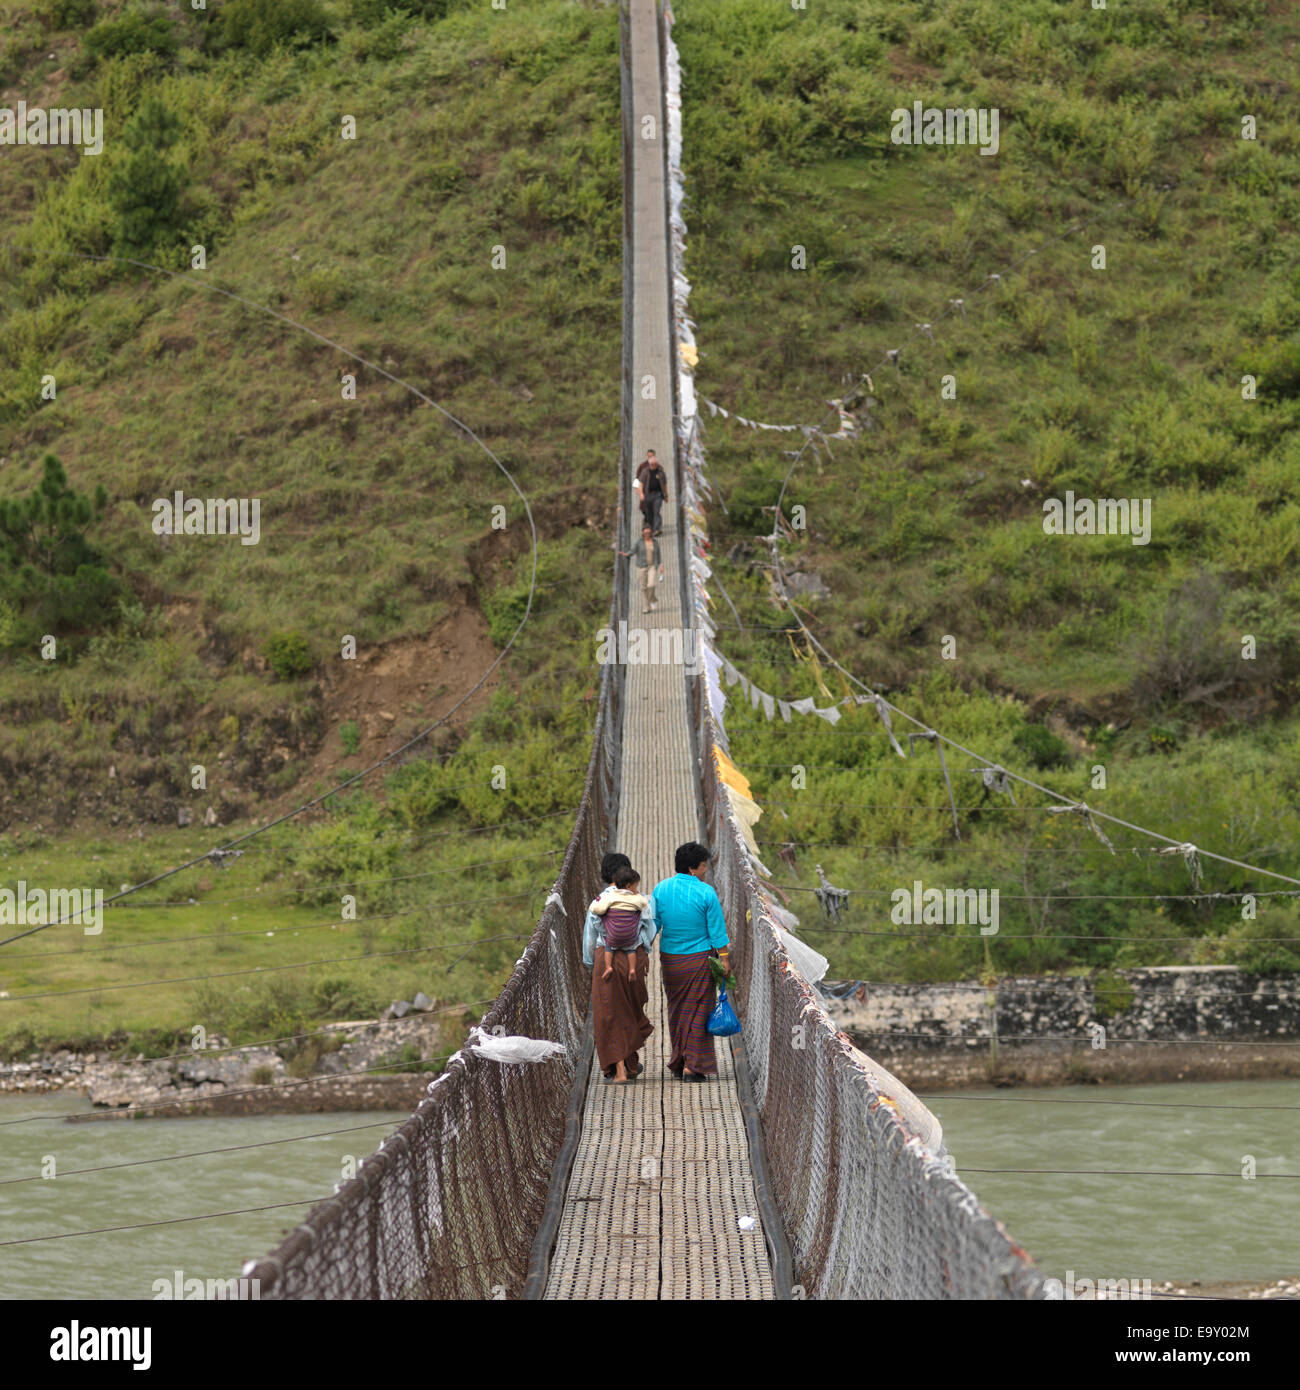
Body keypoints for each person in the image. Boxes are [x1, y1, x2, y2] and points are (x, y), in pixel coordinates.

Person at [652, 842, 731, 1082]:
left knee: (677, 1009)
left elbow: (653, 925)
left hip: (671, 961)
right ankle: (692, 1067)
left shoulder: (660, 889)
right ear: (692, 868)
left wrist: (637, 952)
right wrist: (725, 959)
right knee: (698, 1011)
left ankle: (679, 1060)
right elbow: (716, 930)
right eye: (704, 865)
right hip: (699, 959)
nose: (706, 869)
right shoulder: (706, 892)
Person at [583, 853, 657, 1084]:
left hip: (606, 958)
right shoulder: (641, 899)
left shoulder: (598, 902)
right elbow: (650, 931)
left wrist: (590, 963)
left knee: (609, 1013)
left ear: (606, 874)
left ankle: (619, 1071)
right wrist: (641, 954)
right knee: (630, 1009)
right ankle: (630, 1065)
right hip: (632, 959)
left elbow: (590, 938)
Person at [591, 866, 649, 983]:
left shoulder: (609, 897)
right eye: (636, 887)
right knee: (631, 949)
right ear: (628, 886)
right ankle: (632, 969)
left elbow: (596, 909)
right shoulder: (636, 899)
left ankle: (608, 967)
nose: (637, 890)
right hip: (630, 937)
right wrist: (637, 895)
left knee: (608, 947)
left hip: (613, 937)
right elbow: (645, 904)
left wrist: (596, 902)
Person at [620, 525, 664, 613]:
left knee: (651, 585)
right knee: (644, 587)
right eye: (646, 532)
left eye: (649, 532)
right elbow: (633, 551)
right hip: (641, 566)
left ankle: (652, 599)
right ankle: (646, 607)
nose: (647, 534)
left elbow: (658, 554)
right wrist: (626, 554)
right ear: (643, 533)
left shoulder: (655, 542)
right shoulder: (639, 542)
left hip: (652, 566)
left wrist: (660, 565)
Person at [634, 449, 668, 537]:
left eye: (652, 455)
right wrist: (637, 488)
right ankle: (648, 526)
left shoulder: (660, 468)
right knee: (646, 510)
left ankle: (656, 528)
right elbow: (637, 478)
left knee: (656, 510)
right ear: (646, 456)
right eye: (649, 456)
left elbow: (664, 482)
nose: (650, 457)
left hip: (657, 494)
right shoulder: (642, 467)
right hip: (646, 493)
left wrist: (666, 495)